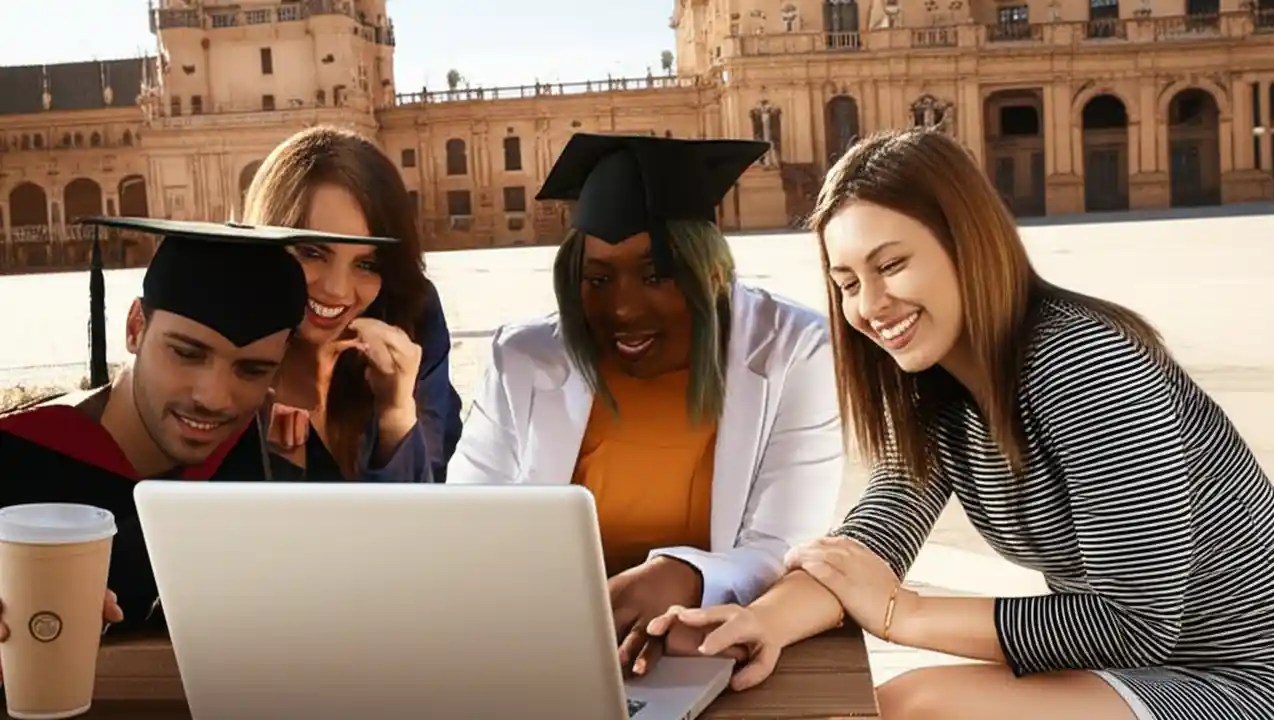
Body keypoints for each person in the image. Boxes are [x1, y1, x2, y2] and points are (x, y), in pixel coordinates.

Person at [646, 128, 1274, 719]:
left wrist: (903, 612)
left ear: (967, 242)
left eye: (891, 265)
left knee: (921, 706)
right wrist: (764, 622)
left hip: (1240, 678)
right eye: (847, 282)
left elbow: (1136, 622)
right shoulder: (938, 389)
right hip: (1139, 666)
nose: (869, 306)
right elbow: (874, 536)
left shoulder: (1083, 360)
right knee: (897, 703)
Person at [446, 133, 844, 675]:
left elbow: (786, 542)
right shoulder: (522, 359)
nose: (624, 309)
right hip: (554, 646)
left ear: (713, 273)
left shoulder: (794, 350)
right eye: (598, 279)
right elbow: (468, 523)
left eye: (657, 274)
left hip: (705, 642)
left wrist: (687, 576)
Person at [0, 216, 397, 639]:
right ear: (136, 328)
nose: (214, 397)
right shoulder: (18, 457)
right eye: (187, 354)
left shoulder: (276, 459)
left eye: (252, 369)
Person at [224, 125, 462, 484]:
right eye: (312, 252)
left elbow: (417, 521)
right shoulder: (217, 330)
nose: (336, 290)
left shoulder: (411, 320)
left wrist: (396, 416)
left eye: (367, 264)